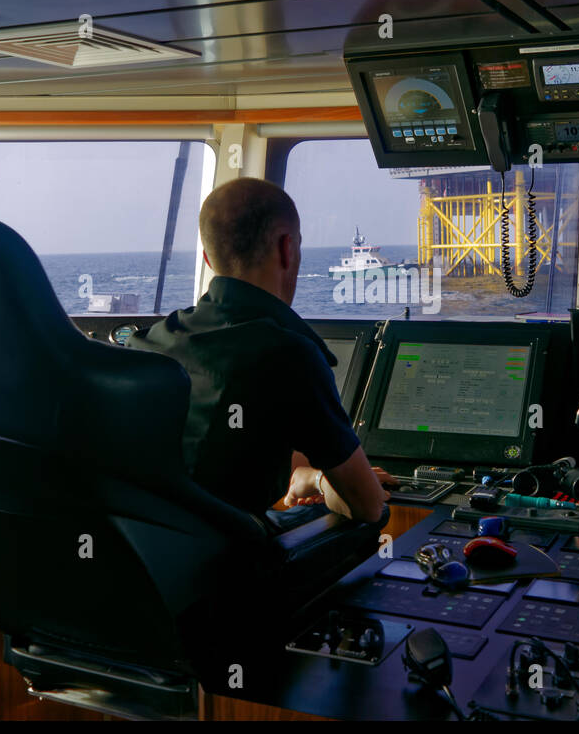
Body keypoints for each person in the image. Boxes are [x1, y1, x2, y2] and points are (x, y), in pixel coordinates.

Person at [127, 176, 391, 533]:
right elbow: (368, 505)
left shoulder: (152, 342)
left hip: (150, 556)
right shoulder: (291, 354)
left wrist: (308, 477)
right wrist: (328, 484)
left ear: (207, 257)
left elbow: (225, 448)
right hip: (226, 569)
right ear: (288, 249)